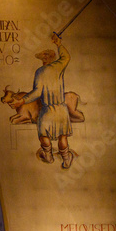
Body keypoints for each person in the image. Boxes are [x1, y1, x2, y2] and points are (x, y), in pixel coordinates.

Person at [21, 33, 75, 168]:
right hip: (61, 110)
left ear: (44, 59)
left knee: (43, 135)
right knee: (63, 137)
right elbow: (66, 57)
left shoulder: (40, 72)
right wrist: (59, 44)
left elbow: (37, 93)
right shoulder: (58, 67)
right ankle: (66, 159)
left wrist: (23, 100)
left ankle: (48, 156)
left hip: (47, 110)